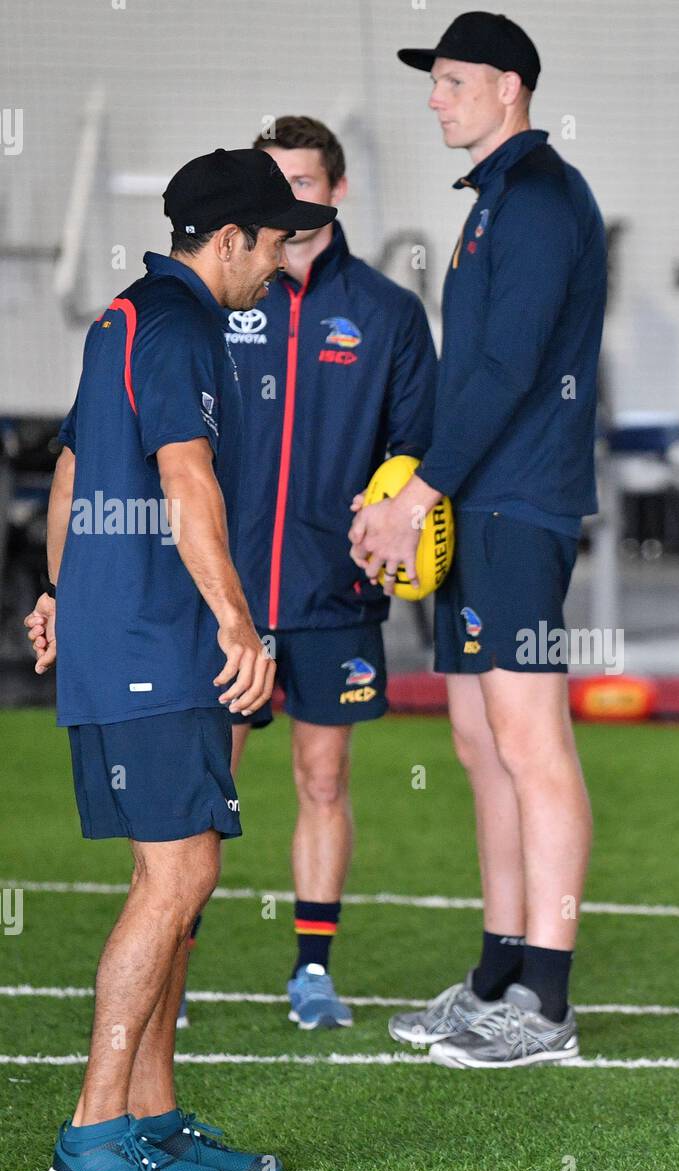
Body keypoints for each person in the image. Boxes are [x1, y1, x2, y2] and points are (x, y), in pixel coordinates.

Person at [24, 148, 336, 1171]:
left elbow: (72, 464)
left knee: (177, 873)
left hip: (126, 633)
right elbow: (185, 475)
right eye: (274, 240)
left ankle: (148, 1113)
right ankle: (92, 1133)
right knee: (177, 879)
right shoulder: (181, 326)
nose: (282, 262)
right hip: (160, 642)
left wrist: (63, 593)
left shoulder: (123, 316)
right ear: (228, 237)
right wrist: (239, 627)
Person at [350, 12, 607, 1067]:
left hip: (518, 510)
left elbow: (504, 370)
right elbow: (470, 378)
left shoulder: (541, 200)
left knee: (532, 743)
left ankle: (545, 1002)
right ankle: (499, 969)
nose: (434, 99)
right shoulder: (494, 201)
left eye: (451, 82)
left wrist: (415, 497)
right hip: (476, 508)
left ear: (508, 86)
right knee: (477, 743)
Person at [185, 116, 437, 1031]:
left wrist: (393, 530)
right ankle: (173, 961)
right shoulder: (217, 300)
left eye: (302, 180)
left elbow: (416, 451)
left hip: (335, 596)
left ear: (335, 190)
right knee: (204, 780)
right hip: (227, 595)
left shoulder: (387, 314)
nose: (287, 198)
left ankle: (313, 972)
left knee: (324, 781)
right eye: (271, 181)